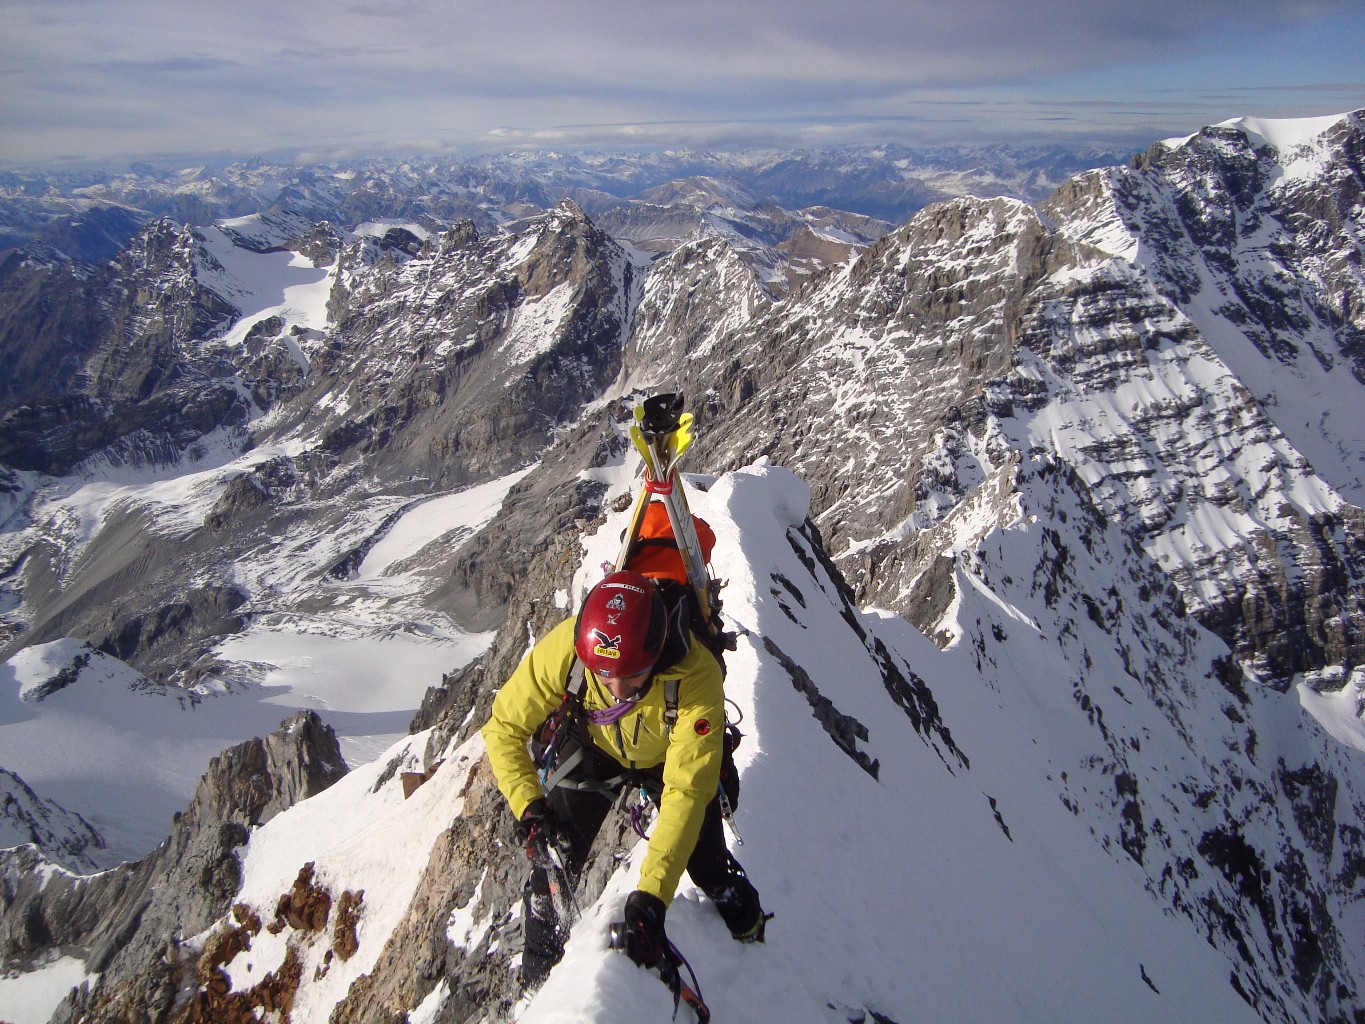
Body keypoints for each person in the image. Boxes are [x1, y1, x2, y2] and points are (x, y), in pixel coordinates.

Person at [482, 569, 766, 989]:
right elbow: (504, 726)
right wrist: (529, 806)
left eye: (633, 675)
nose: (618, 689)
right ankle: (538, 993)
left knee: (709, 867)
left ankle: (753, 934)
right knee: (550, 873)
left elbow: (686, 791)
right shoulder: (568, 648)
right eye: (604, 675)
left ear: (657, 651)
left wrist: (651, 897)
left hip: (667, 754)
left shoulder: (695, 675)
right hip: (595, 747)